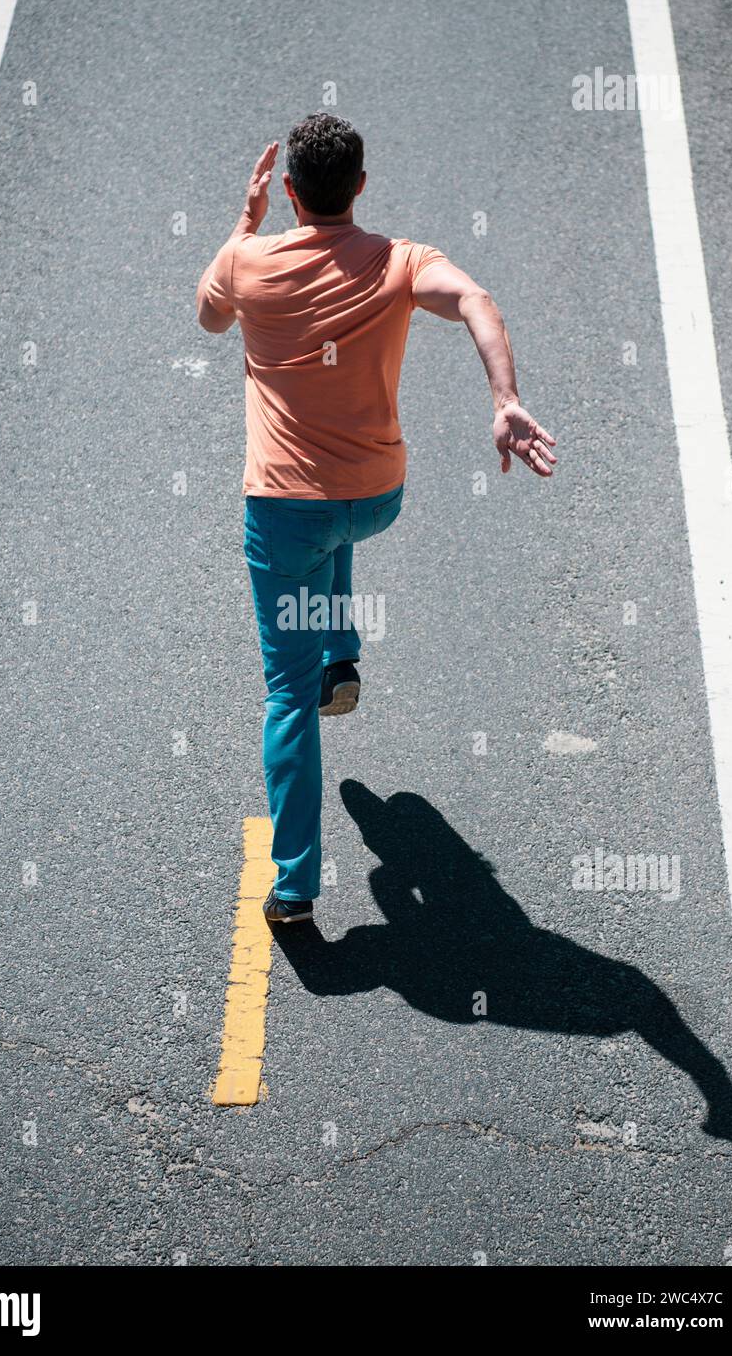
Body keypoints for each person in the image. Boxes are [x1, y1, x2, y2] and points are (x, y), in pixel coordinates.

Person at [196, 113, 555, 925]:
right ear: (361, 185)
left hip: (287, 512)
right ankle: (344, 654)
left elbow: (208, 317)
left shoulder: (247, 261)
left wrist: (243, 224)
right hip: (375, 501)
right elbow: (474, 297)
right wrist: (506, 400)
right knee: (338, 531)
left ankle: (294, 884)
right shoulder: (400, 262)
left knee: (287, 698)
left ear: (289, 190)